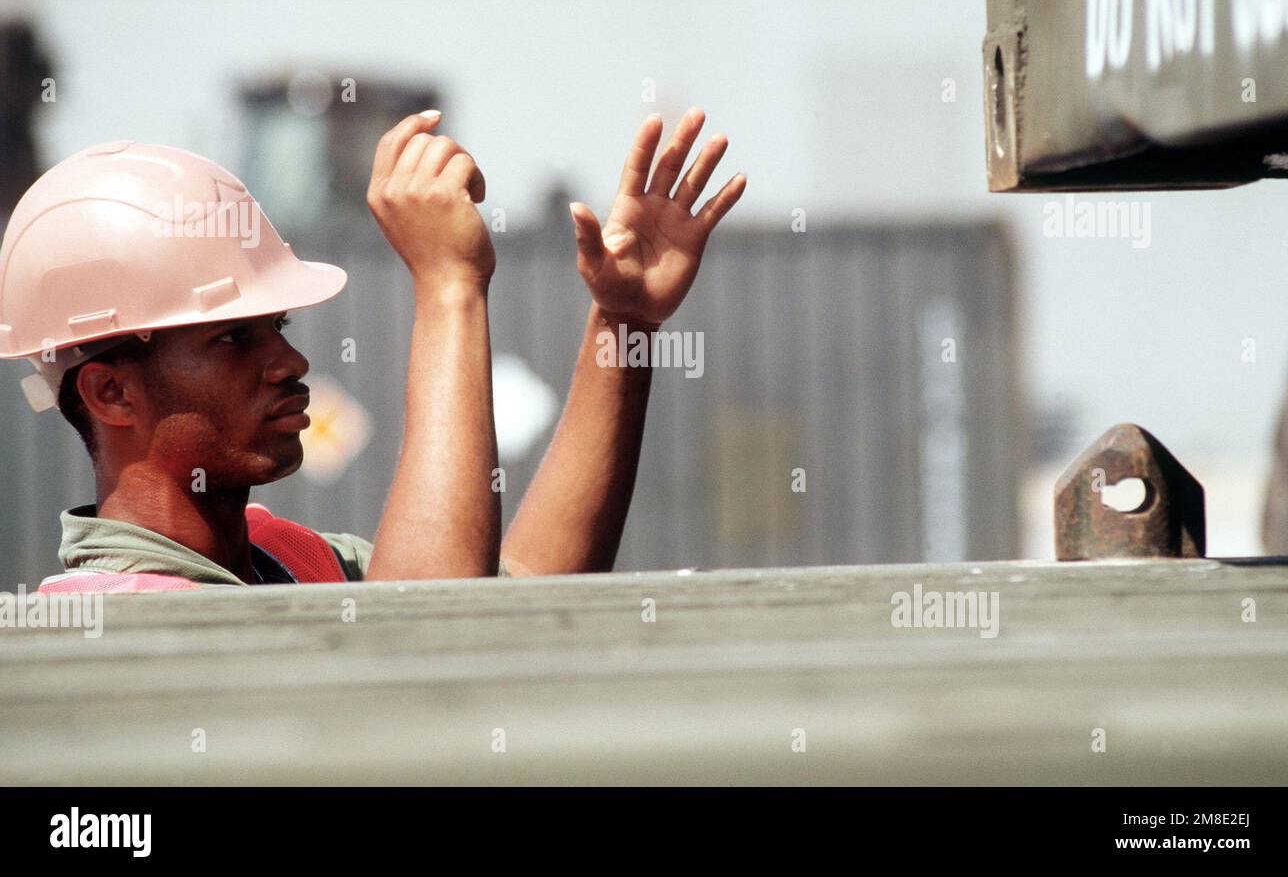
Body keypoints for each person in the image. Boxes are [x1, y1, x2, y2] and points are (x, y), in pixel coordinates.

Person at [0, 109, 745, 589]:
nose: (290, 364)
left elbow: (518, 591)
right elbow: (432, 645)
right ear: (111, 393)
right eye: (231, 337)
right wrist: (450, 282)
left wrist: (623, 322)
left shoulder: (275, 557)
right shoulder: (118, 617)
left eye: (278, 328)